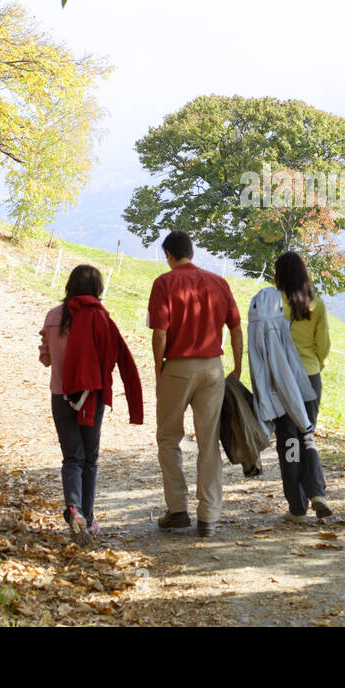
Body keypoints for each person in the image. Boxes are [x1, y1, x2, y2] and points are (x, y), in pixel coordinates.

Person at [39, 264, 143, 546]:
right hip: (90, 398)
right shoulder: (100, 318)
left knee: (72, 457)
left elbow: (45, 357)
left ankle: (73, 509)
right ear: (98, 290)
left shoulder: (52, 316)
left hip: (60, 396)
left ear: (69, 286)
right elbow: (110, 358)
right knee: (90, 460)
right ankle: (88, 516)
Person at [148, 230, 243, 538]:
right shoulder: (219, 282)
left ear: (169, 256)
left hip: (178, 366)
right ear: (192, 252)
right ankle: (209, 516)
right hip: (213, 368)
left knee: (169, 438)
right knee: (208, 441)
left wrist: (158, 368)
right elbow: (237, 328)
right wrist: (238, 367)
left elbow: (160, 333)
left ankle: (177, 510)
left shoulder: (164, 283)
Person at [268, 250, 331, 523]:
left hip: (282, 381)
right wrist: (317, 365)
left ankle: (297, 506)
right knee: (307, 435)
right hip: (310, 377)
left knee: (289, 440)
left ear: (279, 274)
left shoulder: (271, 303)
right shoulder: (316, 303)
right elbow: (324, 345)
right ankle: (317, 492)